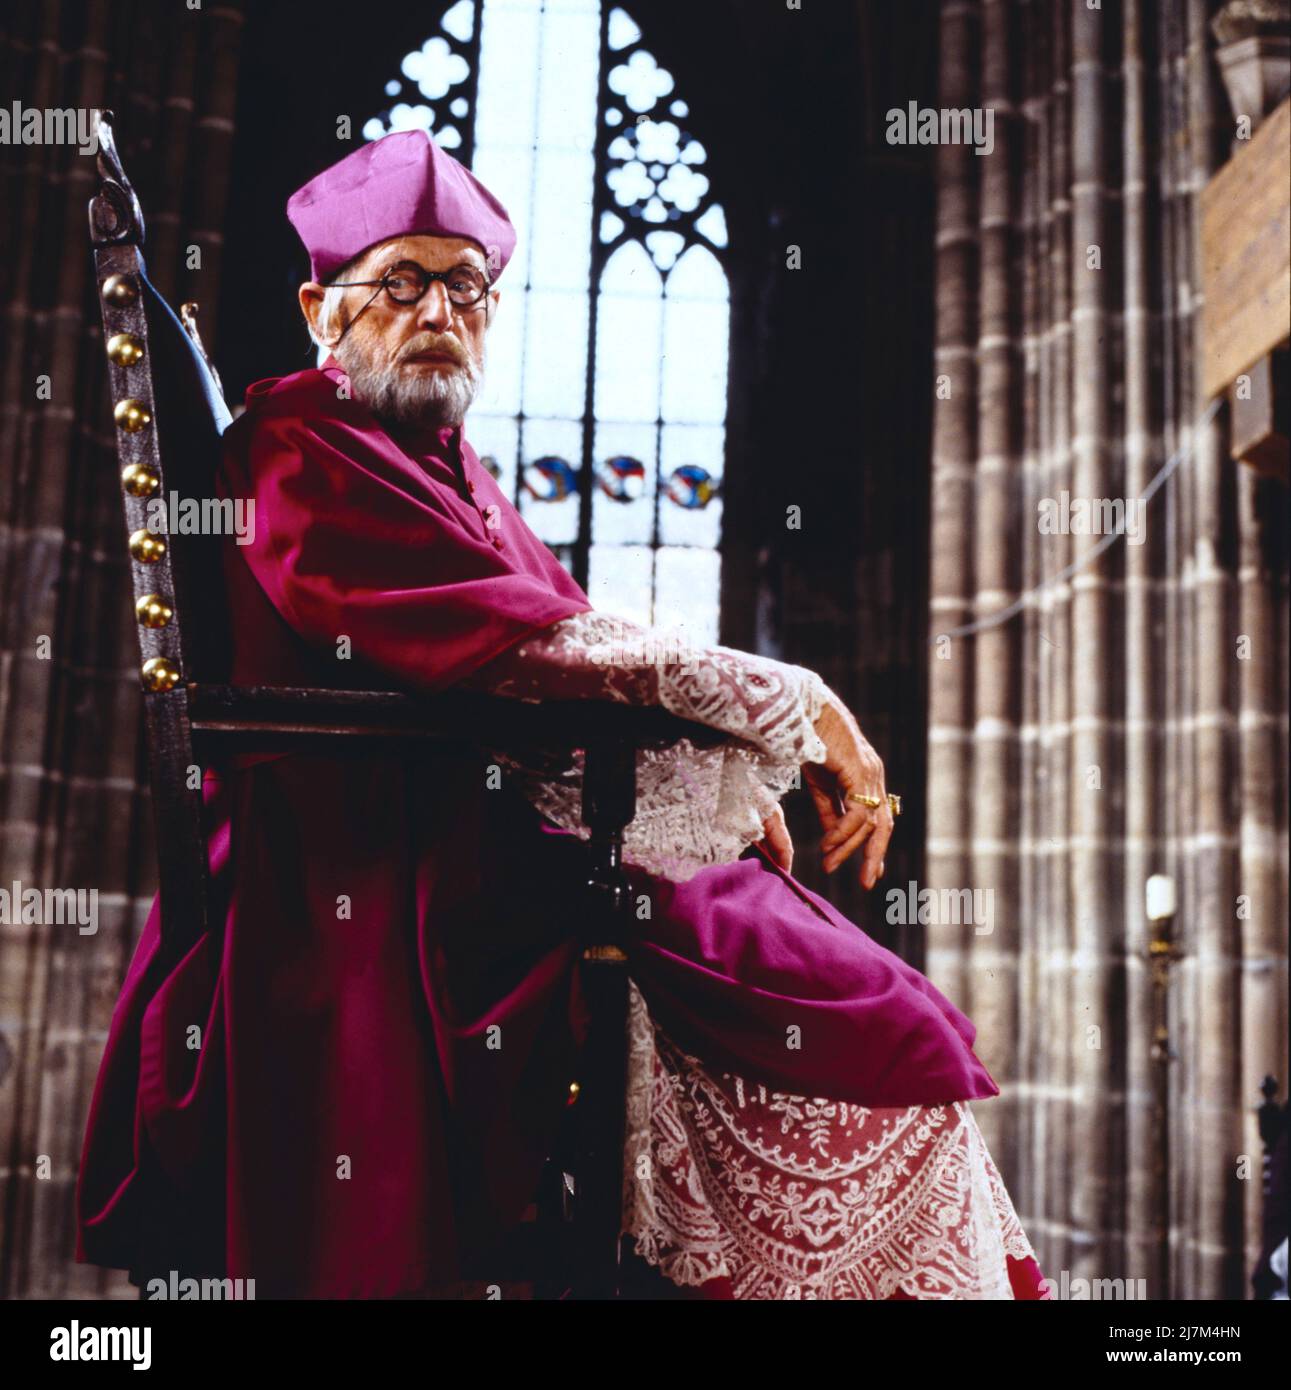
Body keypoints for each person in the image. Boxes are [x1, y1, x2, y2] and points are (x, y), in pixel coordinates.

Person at [76, 129, 1047, 1300]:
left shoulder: (443, 459)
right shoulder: (303, 445)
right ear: (319, 309)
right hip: (371, 882)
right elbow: (519, 648)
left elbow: (565, 631)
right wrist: (791, 703)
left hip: (471, 839)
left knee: (833, 974)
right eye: (401, 280)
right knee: (837, 1004)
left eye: (465, 285)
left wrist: (717, 786)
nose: (440, 309)